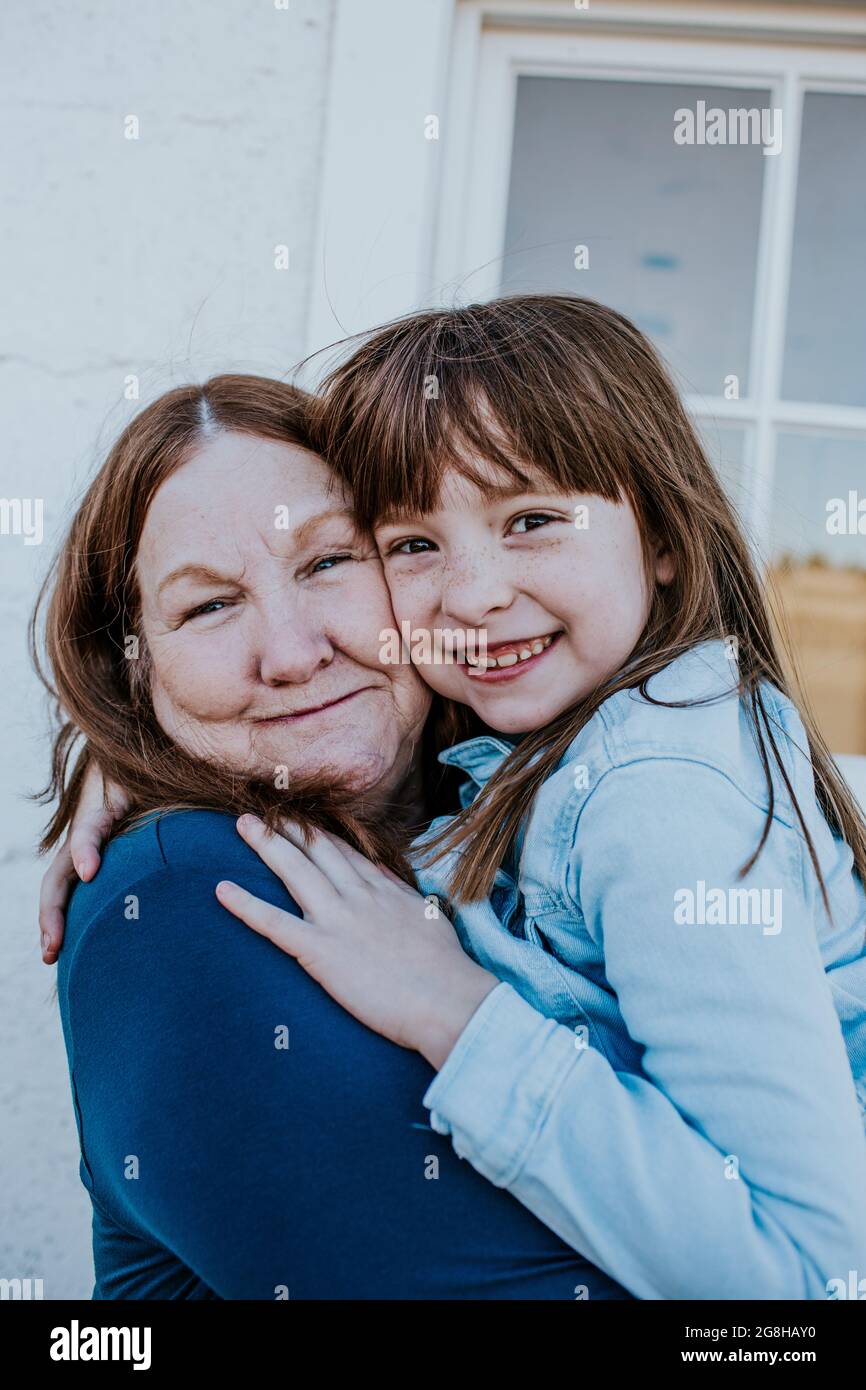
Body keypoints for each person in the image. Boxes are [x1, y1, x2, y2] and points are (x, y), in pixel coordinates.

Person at [208, 297, 866, 1300]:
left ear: (663, 539)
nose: (470, 593)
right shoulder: (530, 731)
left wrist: (457, 1015)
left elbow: (807, 1284)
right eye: (411, 544)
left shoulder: (655, 804)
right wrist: (137, 763)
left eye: (532, 520)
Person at [34, 372, 632, 1299]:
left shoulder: (524, 819)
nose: (293, 654)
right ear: (133, 667)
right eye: (207, 608)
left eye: (328, 563)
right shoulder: (186, 901)